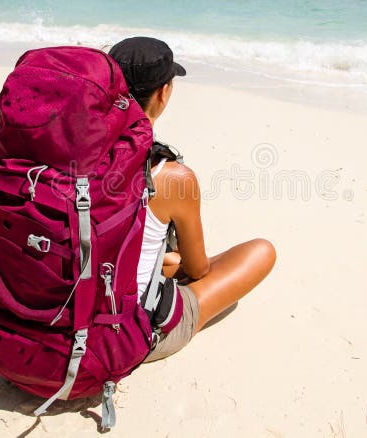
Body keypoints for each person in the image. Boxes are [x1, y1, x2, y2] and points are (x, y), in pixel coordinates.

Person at [108, 37, 276, 362]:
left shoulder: (66, 152)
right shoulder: (169, 175)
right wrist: (184, 264)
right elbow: (198, 270)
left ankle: (164, 262)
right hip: (117, 338)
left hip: (51, 319)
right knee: (260, 252)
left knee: (168, 255)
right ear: (163, 93)